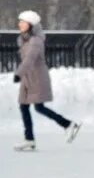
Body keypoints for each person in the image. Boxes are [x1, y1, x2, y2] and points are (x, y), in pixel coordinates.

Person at [12, 10, 81, 152]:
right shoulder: (25, 39)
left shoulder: (35, 41)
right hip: (28, 78)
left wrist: (18, 73)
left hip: (37, 78)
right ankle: (29, 139)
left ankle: (68, 125)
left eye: (22, 22)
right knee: (24, 106)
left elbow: (30, 59)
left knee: (38, 107)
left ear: (30, 25)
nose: (19, 24)